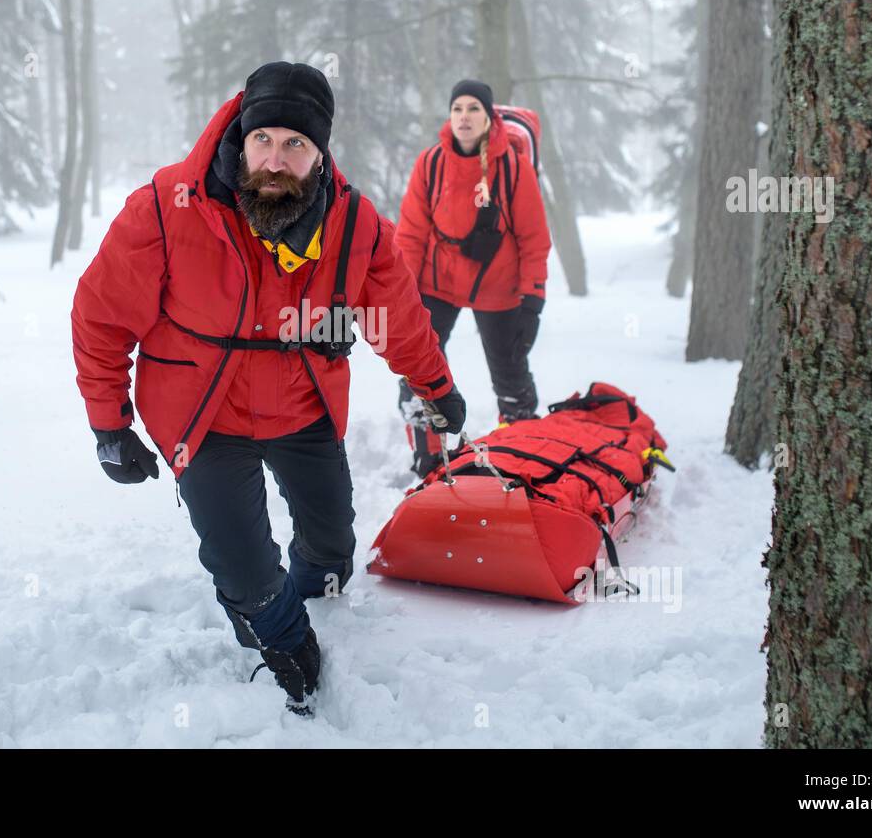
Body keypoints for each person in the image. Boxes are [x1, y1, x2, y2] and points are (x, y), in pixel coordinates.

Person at [71, 62, 466, 715]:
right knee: (247, 570)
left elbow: (395, 315)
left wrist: (435, 385)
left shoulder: (355, 222)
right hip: (204, 415)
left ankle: (315, 603)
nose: (276, 159)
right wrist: (108, 425)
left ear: (320, 153)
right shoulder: (167, 207)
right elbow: (100, 315)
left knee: (333, 550)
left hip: (302, 403)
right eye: (265, 140)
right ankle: (278, 636)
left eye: (296, 145)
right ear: (243, 135)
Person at [394, 79, 551, 478]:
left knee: (511, 373)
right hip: (437, 282)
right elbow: (410, 233)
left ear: (488, 118)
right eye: (458, 109)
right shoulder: (430, 163)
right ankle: (430, 458)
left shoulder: (512, 168)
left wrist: (532, 300)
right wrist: (403, 291)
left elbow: (534, 238)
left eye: (473, 109)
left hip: (498, 286)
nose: (464, 117)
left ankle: (521, 459)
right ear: (450, 116)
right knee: (418, 367)